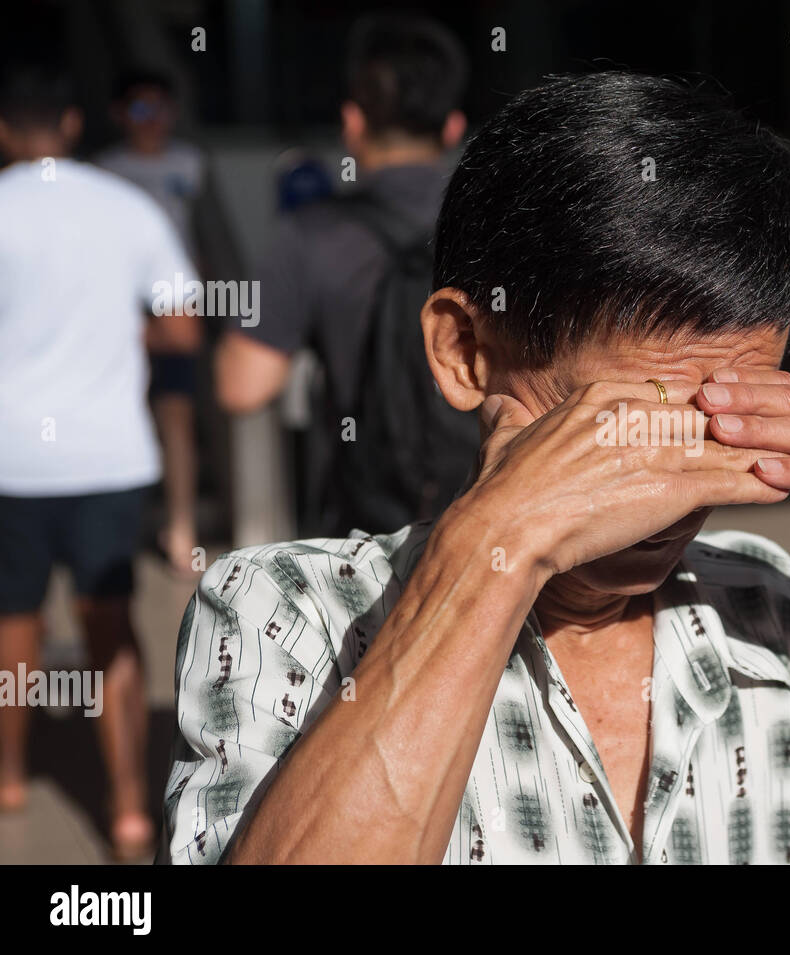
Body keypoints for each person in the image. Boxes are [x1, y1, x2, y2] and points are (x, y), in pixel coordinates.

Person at [162, 72, 790, 865]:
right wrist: (495, 545)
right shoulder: (292, 617)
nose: (677, 489)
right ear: (467, 351)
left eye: (728, 420)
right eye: (635, 422)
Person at [0, 66, 200, 860]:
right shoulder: (127, 207)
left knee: (13, 625)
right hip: (109, 456)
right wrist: (122, 332)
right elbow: (183, 330)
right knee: (110, 628)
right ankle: (126, 808)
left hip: (11, 458)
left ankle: (10, 775)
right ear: (74, 124)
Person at [214, 14, 472, 537]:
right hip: (492, 514)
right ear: (453, 126)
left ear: (353, 120)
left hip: (369, 533)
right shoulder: (502, 225)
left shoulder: (311, 235)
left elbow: (241, 386)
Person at [97, 69, 206, 576]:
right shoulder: (103, 170)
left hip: (172, 307)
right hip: (112, 311)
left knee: (176, 418)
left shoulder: (191, 163)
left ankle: (180, 530)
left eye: (160, 108)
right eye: (140, 109)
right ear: (120, 115)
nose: (152, 120)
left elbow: (204, 238)